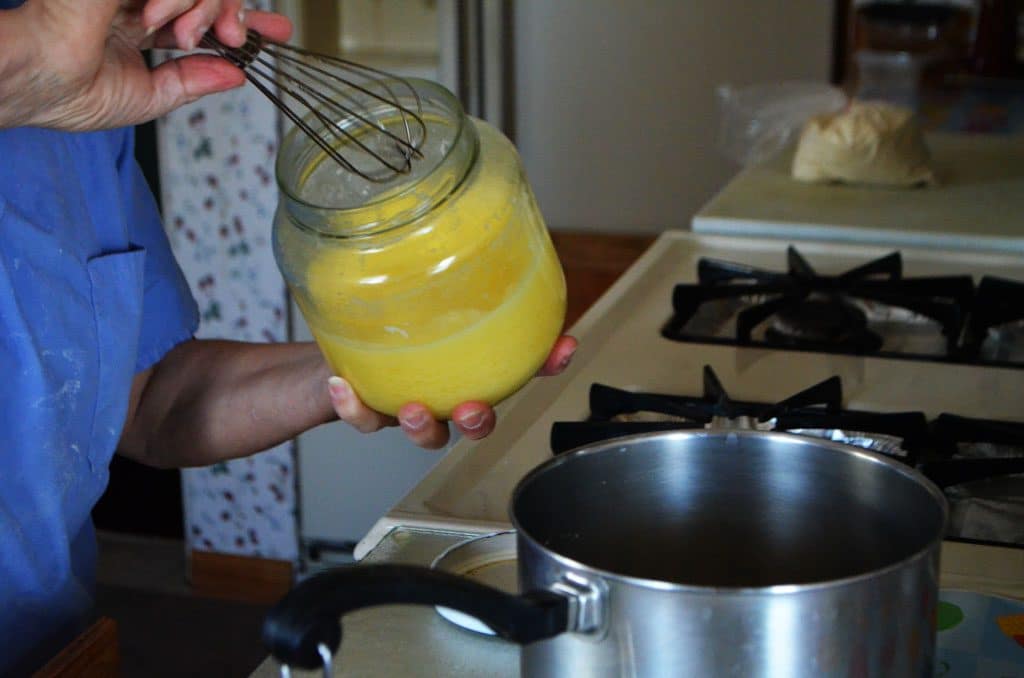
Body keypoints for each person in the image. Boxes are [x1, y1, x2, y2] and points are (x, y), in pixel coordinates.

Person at [0, 0, 577, 672]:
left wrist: (365, 373)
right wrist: (26, 57)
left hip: (54, 644)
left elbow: (151, 403)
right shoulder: (46, 55)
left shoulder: (88, 103)